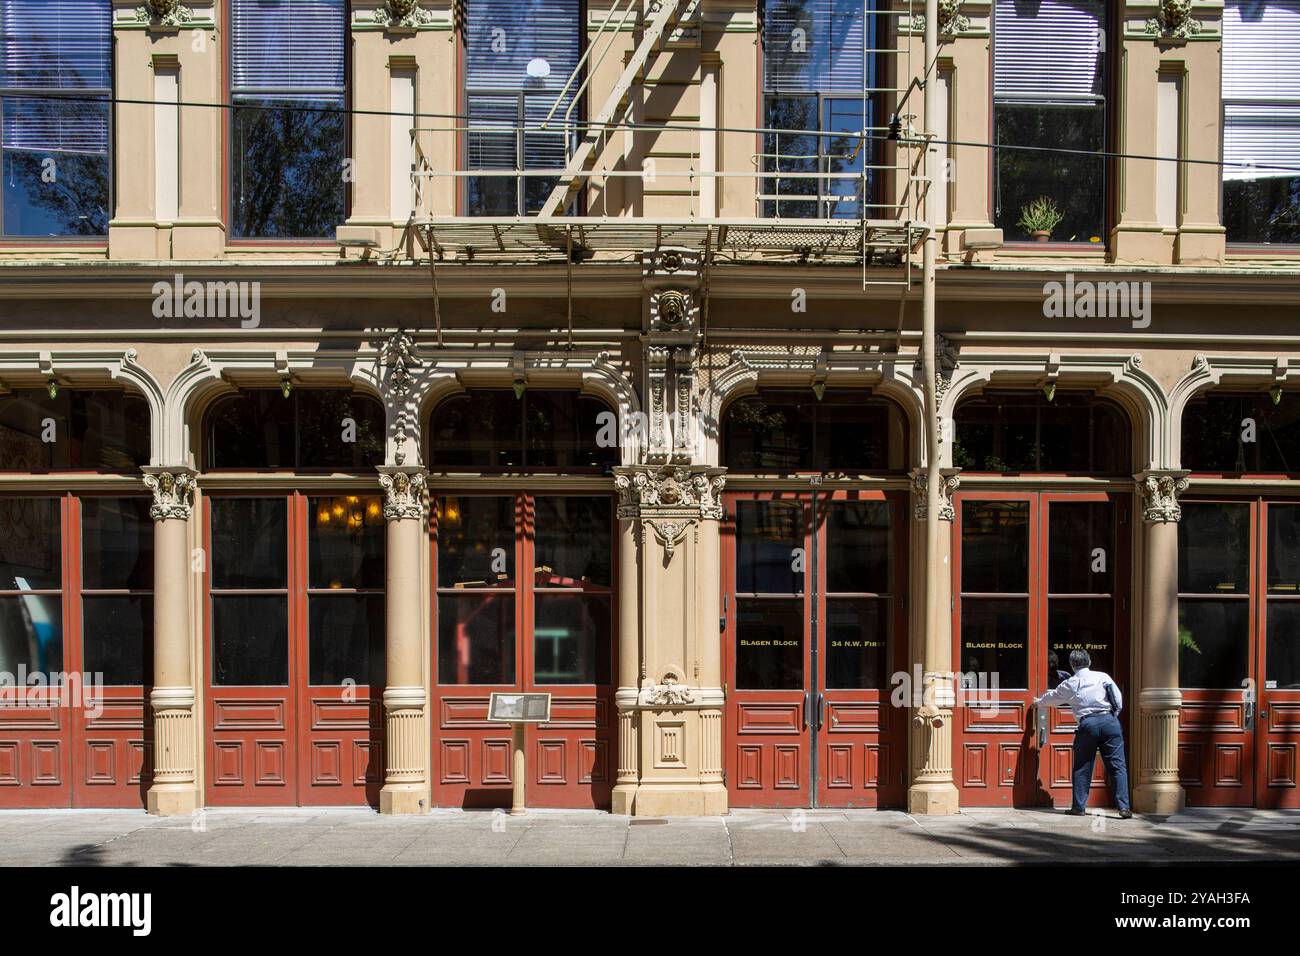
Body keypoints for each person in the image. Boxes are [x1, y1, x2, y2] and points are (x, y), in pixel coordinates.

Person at [1033, 648, 1132, 818]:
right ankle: (1123, 808)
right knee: (1117, 766)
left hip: (1087, 724)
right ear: (1090, 662)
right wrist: (1111, 717)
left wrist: (1038, 702)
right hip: (1109, 721)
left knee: (1082, 766)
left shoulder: (1071, 682)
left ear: (1072, 665)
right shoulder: (1103, 677)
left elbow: (1054, 697)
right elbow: (1117, 699)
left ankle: (1079, 807)